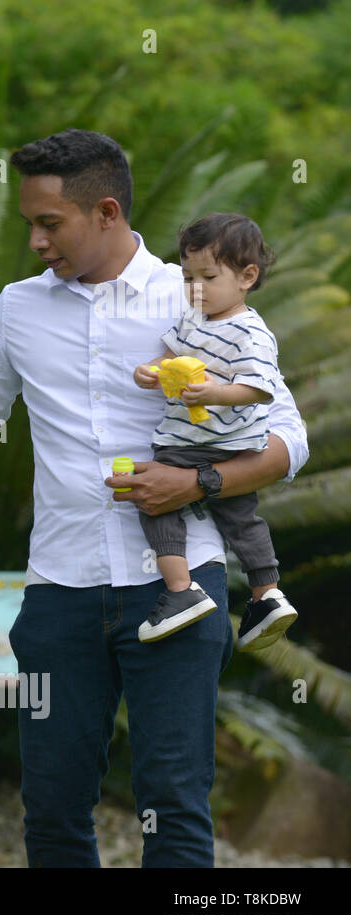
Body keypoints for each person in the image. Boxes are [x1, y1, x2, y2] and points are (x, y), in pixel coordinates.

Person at [0, 130, 309, 867]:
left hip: (180, 587)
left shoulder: (193, 295)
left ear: (105, 211)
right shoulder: (14, 311)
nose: (35, 241)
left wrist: (197, 483)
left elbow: (289, 439)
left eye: (49, 224)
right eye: (29, 224)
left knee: (174, 806)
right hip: (58, 593)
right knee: (54, 811)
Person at [132, 213, 298, 647]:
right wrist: (148, 372)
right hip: (216, 443)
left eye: (207, 276)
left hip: (207, 443)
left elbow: (259, 389)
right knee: (241, 518)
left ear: (247, 277)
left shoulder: (251, 331)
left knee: (154, 502)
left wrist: (214, 393)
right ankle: (267, 596)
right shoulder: (193, 319)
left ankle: (180, 590)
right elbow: (167, 354)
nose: (195, 288)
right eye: (188, 277)